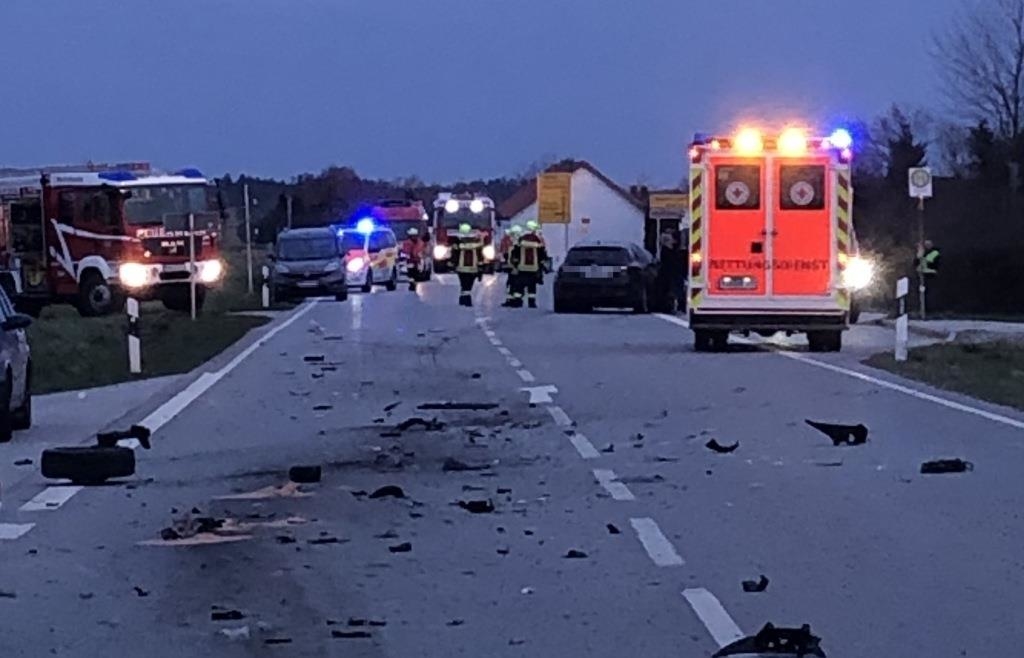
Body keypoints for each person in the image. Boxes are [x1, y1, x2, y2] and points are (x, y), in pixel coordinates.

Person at [510, 221, 547, 308]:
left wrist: (515, 263)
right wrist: (541, 264)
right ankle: (531, 302)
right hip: (533, 268)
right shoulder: (537, 240)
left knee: (519, 285)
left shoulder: (521, 239)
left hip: (521, 267)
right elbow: (542, 253)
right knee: (532, 286)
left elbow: (515, 252)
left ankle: (518, 302)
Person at [451, 223, 484, 307]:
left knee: (464, 284)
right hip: (473, 269)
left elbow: (455, 255)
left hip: (461, 269)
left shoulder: (457, 243)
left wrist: (452, 264)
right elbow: (480, 257)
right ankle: (465, 300)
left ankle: (464, 299)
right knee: (468, 285)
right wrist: (481, 268)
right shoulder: (477, 244)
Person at [915, 239, 941, 312]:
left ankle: (929, 311)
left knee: (930, 295)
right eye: (926, 244)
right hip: (924, 276)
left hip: (932, 275)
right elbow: (917, 264)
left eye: (928, 244)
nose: (927, 245)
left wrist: (921, 255)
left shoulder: (935, 252)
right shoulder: (925, 253)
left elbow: (928, 260)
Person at [500, 225, 523, 307]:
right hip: (514, 268)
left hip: (516, 268)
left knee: (515, 285)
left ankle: (516, 301)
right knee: (511, 284)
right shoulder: (516, 245)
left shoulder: (518, 246)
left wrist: (514, 266)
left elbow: (515, 258)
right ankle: (511, 300)